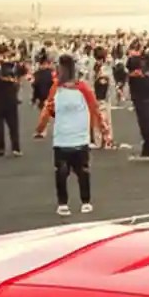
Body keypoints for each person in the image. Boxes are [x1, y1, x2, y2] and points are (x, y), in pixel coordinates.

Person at [34, 54, 103, 216]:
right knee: (83, 171)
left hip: (62, 138)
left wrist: (40, 128)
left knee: (61, 171)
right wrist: (102, 130)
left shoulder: (56, 88)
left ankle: (63, 203)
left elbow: (48, 110)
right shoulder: (83, 88)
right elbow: (95, 109)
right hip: (80, 137)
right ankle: (85, 202)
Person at [126, 42, 149, 160]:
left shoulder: (139, 62)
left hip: (143, 97)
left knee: (146, 123)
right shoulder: (143, 63)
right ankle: (148, 146)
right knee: (145, 122)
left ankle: (148, 148)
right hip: (143, 96)